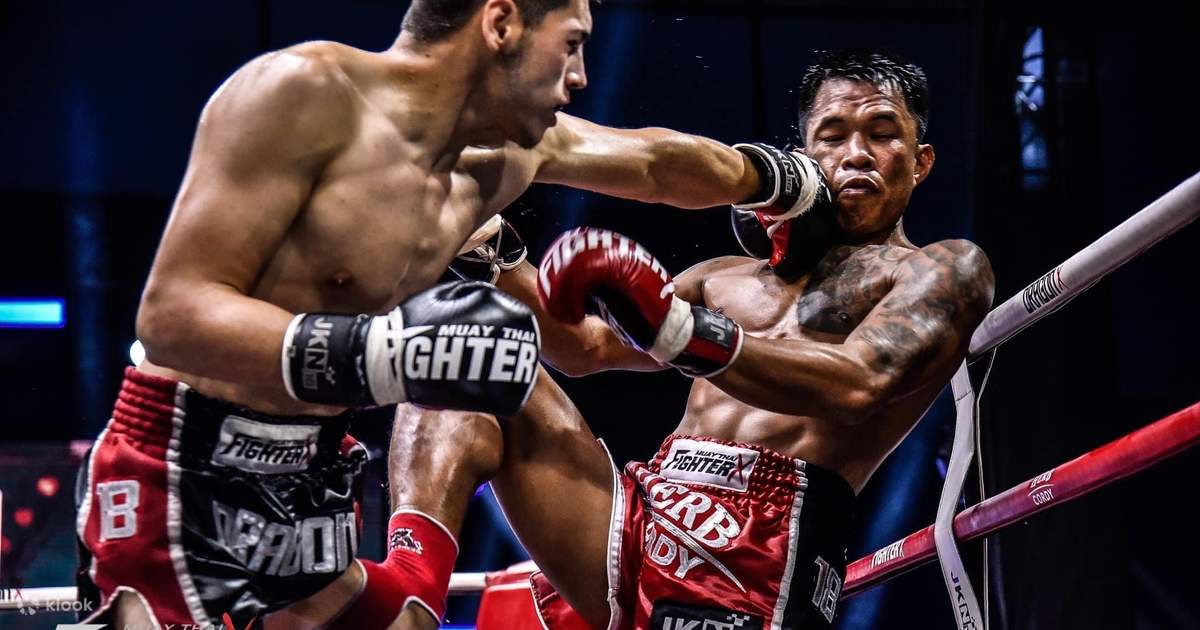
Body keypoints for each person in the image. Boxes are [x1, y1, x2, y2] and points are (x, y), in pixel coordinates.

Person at [73, 0, 808, 627]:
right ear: (501, 23)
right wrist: (393, 354)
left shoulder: (504, 157)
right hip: (184, 464)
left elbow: (655, 165)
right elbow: (171, 315)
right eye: (573, 44)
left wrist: (787, 182)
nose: (582, 77)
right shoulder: (305, 94)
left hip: (311, 470)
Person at [398, 49, 996, 629]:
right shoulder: (723, 276)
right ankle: (408, 603)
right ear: (805, 157)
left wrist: (678, 330)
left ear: (921, 162)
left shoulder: (939, 270)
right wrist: (492, 249)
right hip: (646, 504)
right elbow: (584, 348)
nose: (856, 154)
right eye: (833, 135)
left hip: (760, 545)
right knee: (465, 358)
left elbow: (859, 383)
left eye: (883, 133)